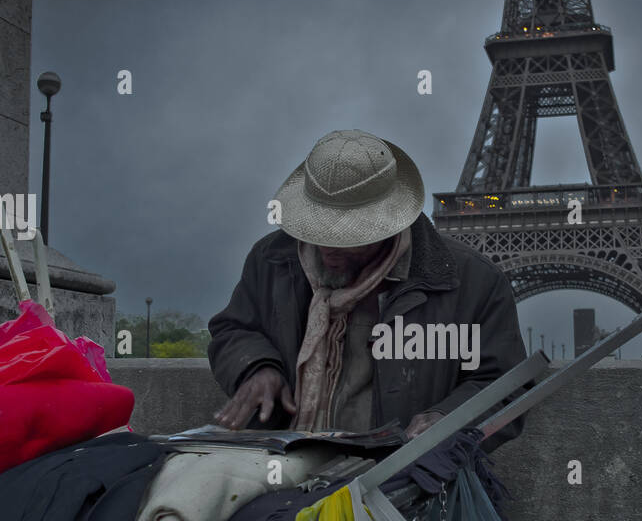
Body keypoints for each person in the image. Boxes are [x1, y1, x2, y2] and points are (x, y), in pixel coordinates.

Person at [207, 129, 528, 448]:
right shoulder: (270, 260)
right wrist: (258, 367)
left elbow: (501, 384)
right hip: (286, 462)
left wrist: (448, 418)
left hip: (404, 476)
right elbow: (234, 329)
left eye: (347, 237)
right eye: (317, 232)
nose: (327, 249)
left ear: (388, 224)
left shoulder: (473, 280)